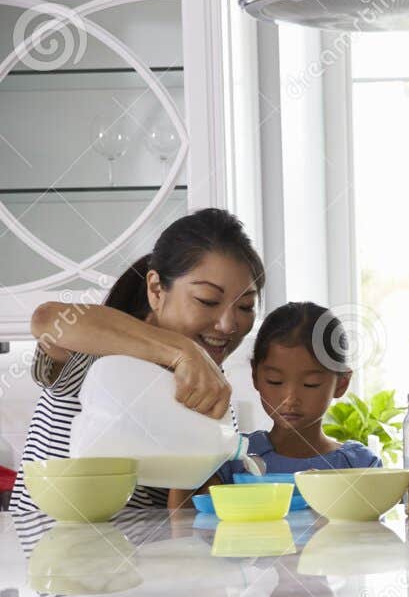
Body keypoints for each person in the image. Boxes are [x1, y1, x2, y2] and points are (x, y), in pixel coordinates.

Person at [19, 208, 264, 513]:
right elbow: (46, 320)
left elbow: (186, 513)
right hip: (46, 551)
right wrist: (181, 351)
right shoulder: (98, 350)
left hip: (136, 557)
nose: (229, 325)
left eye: (245, 306)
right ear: (156, 289)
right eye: (208, 301)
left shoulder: (208, 388)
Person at [209, 302, 381, 488]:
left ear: (341, 384)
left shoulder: (360, 465)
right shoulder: (234, 458)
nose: (290, 399)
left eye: (310, 384)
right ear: (255, 376)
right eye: (275, 381)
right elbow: (185, 514)